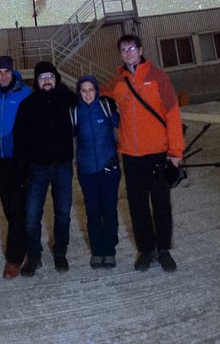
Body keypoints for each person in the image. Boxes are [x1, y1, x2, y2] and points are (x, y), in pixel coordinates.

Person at [103, 33, 185, 272]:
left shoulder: (158, 77)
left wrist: (175, 152)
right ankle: (146, 250)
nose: (128, 53)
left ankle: (164, 249)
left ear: (141, 50)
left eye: (131, 48)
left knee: (161, 203)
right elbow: (97, 93)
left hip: (158, 153)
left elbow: (172, 114)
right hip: (131, 155)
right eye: (123, 50)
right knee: (137, 204)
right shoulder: (118, 80)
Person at [13, 60, 78, 276]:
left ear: (56, 78)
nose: (47, 81)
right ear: (36, 81)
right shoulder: (28, 105)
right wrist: (22, 168)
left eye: (50, 76)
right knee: (32, 216)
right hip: (37, 168)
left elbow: (90, 101)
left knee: (62, 214)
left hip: (63, 166)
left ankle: (60, 253)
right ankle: (34, 257)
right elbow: (20, 139)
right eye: (42, 77)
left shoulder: (68, 99)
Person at [0, 54, 31, 279]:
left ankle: (14, 259)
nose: (3, 76)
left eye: (7, 72)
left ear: (12, 72)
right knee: (9, 209)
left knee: (18, 207)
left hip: (19, 160)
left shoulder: (25, 93)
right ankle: (27, 242)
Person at [72, 75, 121, 268]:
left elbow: (124, 126)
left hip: (108, 169)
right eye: (83, 90)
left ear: (97, 91)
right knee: (93, 212)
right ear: (79, 93)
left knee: (109, 210)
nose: (87, 94)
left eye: (91, 89)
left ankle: (109, 250)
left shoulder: (106, 108)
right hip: (87, 171)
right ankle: (97, 250)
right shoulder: (75, 113)